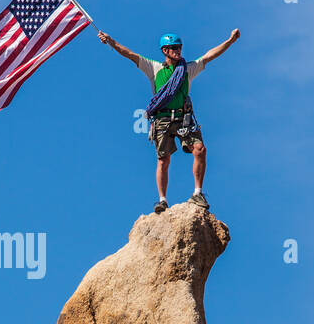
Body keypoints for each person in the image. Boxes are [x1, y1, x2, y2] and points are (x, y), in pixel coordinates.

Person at [97, 27, 240, 213]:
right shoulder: (154, 68)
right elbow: (130, 54)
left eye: (179, 47)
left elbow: (208, 56)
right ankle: (162, 200)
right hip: (162, 119)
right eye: (173, 47)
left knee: (200, 149)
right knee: (163, 160)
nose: (178, 50)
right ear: (165, 50)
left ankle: (198, 193)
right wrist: (111, 41)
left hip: (183, 118)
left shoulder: (187, 69)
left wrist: (229, 41)